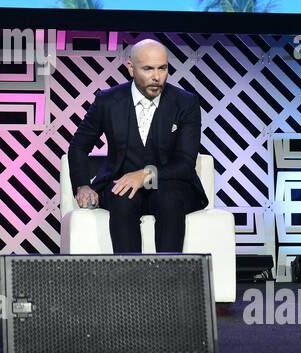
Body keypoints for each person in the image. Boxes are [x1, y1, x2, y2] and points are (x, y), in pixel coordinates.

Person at [67, 38, 209, 253]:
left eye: (162, 68)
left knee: (168, 199)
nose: (156, 77)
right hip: (120, 182)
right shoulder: (108, 101)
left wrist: (145, 174)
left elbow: (185, 162)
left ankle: (170, 281)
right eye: (148, 69)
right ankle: (128, 281)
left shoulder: (186, 102)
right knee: (122, 198)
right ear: (131, 68)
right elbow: (78, 146)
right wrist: (82, 185)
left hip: (169, 182)